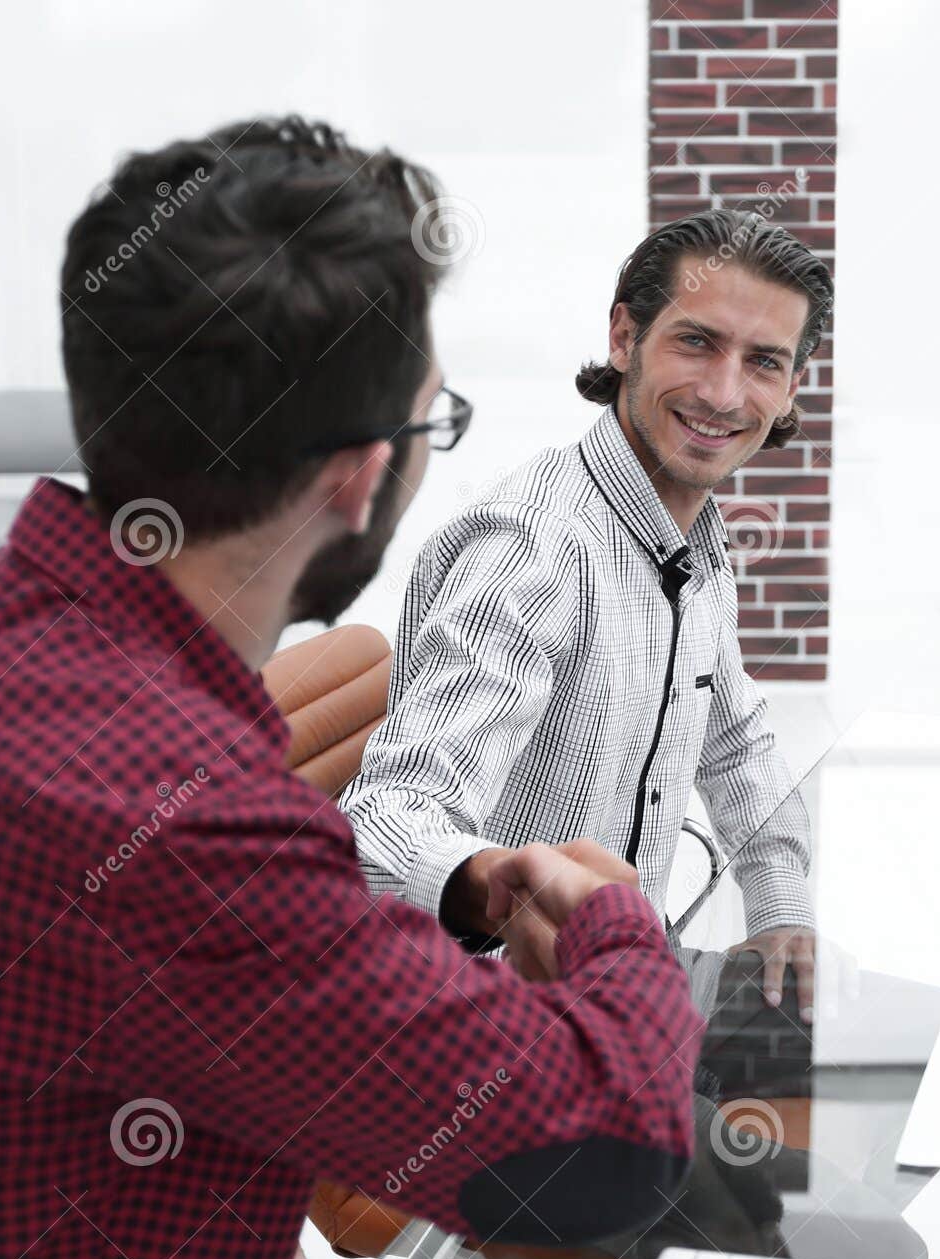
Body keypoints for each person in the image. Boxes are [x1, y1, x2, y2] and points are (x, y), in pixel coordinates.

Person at [0, 116, 700, 1259]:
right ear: (359, 474)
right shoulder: (188, 837)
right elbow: (601, 1160)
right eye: (435, 424)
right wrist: (615, 924)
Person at [341, 211, 830, 1017]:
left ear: (788, 391)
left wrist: (780, 900)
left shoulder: (696, 539)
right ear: (624, 337)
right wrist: (497, 885)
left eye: (764, 361)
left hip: (624, 998)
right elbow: (381, 826)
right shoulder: (537, 549)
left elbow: (737, 740)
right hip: (488, 1028)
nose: (723, 393)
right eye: (697, 342)